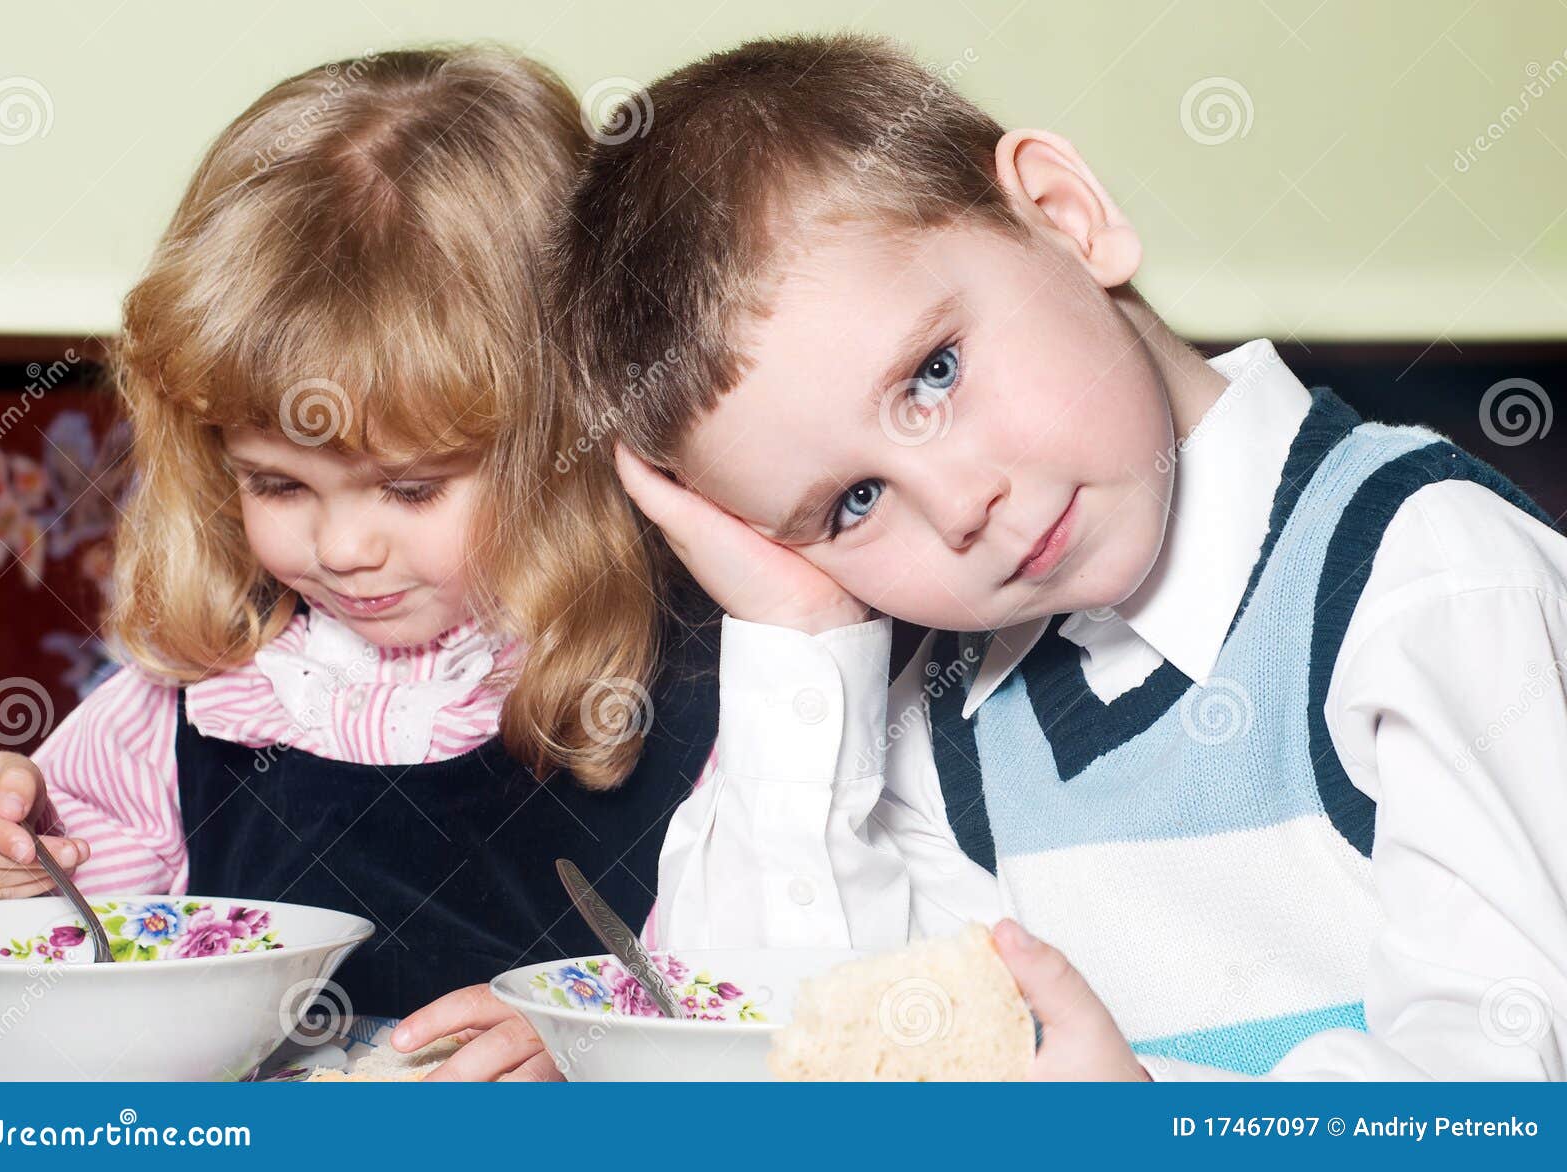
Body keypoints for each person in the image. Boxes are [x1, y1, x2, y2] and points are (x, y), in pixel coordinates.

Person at [545, 33, 1567, 1080]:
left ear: (1067, 218)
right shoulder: (954, 705)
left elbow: (1503, 1101)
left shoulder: (1420, 576)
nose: (957, 505)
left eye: (933, 371)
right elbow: (778, 1059)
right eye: (853, 502)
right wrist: (800, 634)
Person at [0, 48, 720, 1058]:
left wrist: (592, 1040)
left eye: (410, 488)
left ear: (568, 435)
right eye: (276, 483)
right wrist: (13, 868)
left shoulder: (711, 687)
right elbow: (92, 963)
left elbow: (767, 974)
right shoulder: (209, 692)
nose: (341, 546)